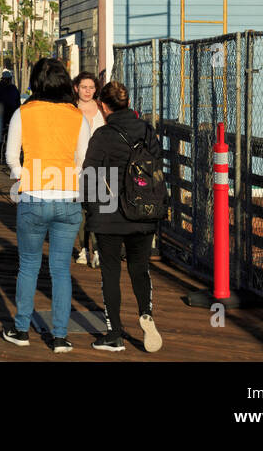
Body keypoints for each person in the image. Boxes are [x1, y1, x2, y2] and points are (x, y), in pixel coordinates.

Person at [1, 58, 92, 353]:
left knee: (28, 266)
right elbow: (83, 159)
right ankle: (60, 336)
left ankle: (21, 328)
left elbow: (12, 157)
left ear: (36, 82)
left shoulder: (23, 113)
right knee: (61, 270)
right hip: (68, 199)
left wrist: (23, 177)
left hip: (33, 196)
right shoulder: (78, 116)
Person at [83, 80, 163, 353]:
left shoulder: (103, 136)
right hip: (144, 210)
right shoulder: (147, 131)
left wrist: (91, 211)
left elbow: (90, 176)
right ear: (127, 103)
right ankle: (146, 313)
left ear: (103, 106)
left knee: (111, 272)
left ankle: (114, 334)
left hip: (109, 211)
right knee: (140, 269)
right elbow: (156, 167)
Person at [72, 71, 106, 268]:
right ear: (76, 87)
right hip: (76, 166)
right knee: (80, 211)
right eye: (84, 87)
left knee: (99, 209)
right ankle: (84, 249)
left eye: (91, 87)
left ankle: (99, 250)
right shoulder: (71, 109)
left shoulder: (102, 108)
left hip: (101, 167)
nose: (87, 91)